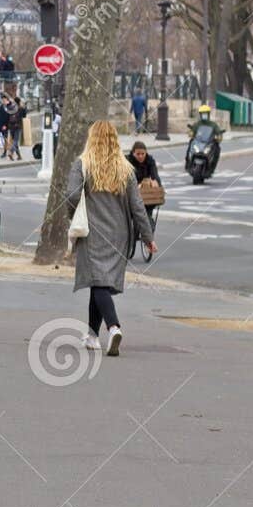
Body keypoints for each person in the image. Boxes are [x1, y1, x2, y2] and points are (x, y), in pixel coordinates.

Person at [66, 121, 156, 356]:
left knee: (98, 282)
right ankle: (92, 336)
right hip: (119, 234)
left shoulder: (83, 164)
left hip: (92, 232)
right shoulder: (125, 169)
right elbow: (138, 206)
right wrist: (147, 237)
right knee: (101, 283)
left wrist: (73, 216)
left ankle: (114, 327)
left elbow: (72, 195)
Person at [186, 103, 223, 170]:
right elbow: (193, 130)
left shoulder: (213, 124)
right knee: (190, 143)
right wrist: (191, 133)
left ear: (208, 114)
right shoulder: (198, 124)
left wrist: (219, 137)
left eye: (205, 113)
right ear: (200, 115)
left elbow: (218, 132)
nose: (204, 115)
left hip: (208, 142)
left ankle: (212, 166)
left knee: (217, 148)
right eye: (203, 114)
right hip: (199, 141)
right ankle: (188, 162)